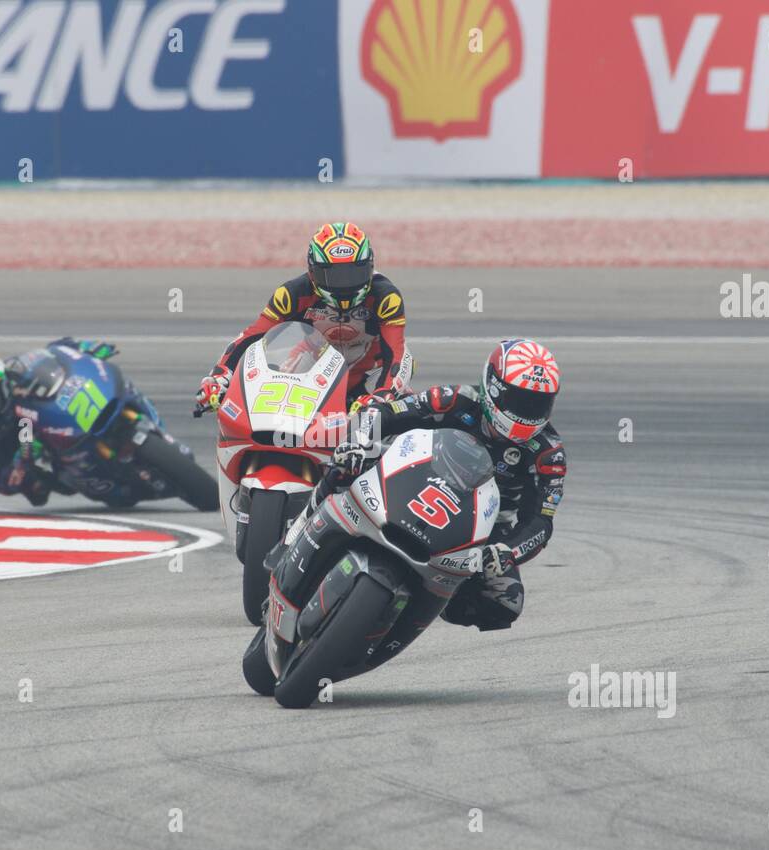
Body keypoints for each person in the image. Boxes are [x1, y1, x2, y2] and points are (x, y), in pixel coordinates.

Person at [328, 338, 566, 631]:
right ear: (493, 388)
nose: (528, 412)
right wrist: (359, 442)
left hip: (483, 528)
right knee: (346, 462)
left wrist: (508, 551)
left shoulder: (548, 453)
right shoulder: (455, 399)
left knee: (504, 602)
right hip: (412, 482)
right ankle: (300, 531)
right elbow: (387, 413)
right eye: (521, 401)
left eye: (538, 404)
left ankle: (411, 609)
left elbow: (541, 522)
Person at [195, 221, 411, 414]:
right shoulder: (292, 294)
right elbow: (252, 336)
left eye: (353, 274)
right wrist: (219, 375)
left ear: (370, 267)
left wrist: (383, 395)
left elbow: (397, 356)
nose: (345, 285)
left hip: (373, 372)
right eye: (334, 276)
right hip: (314, 368)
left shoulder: (386, 297)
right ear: (312, 270)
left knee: (389, 414)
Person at [0, 339, 118, 506]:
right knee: (36, 492)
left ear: (2, 386)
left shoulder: (13, 370)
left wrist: (85, 348)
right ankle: (64, 471)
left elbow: (55, 350)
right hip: (12, 441)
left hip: (27, 417)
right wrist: (20, 465)